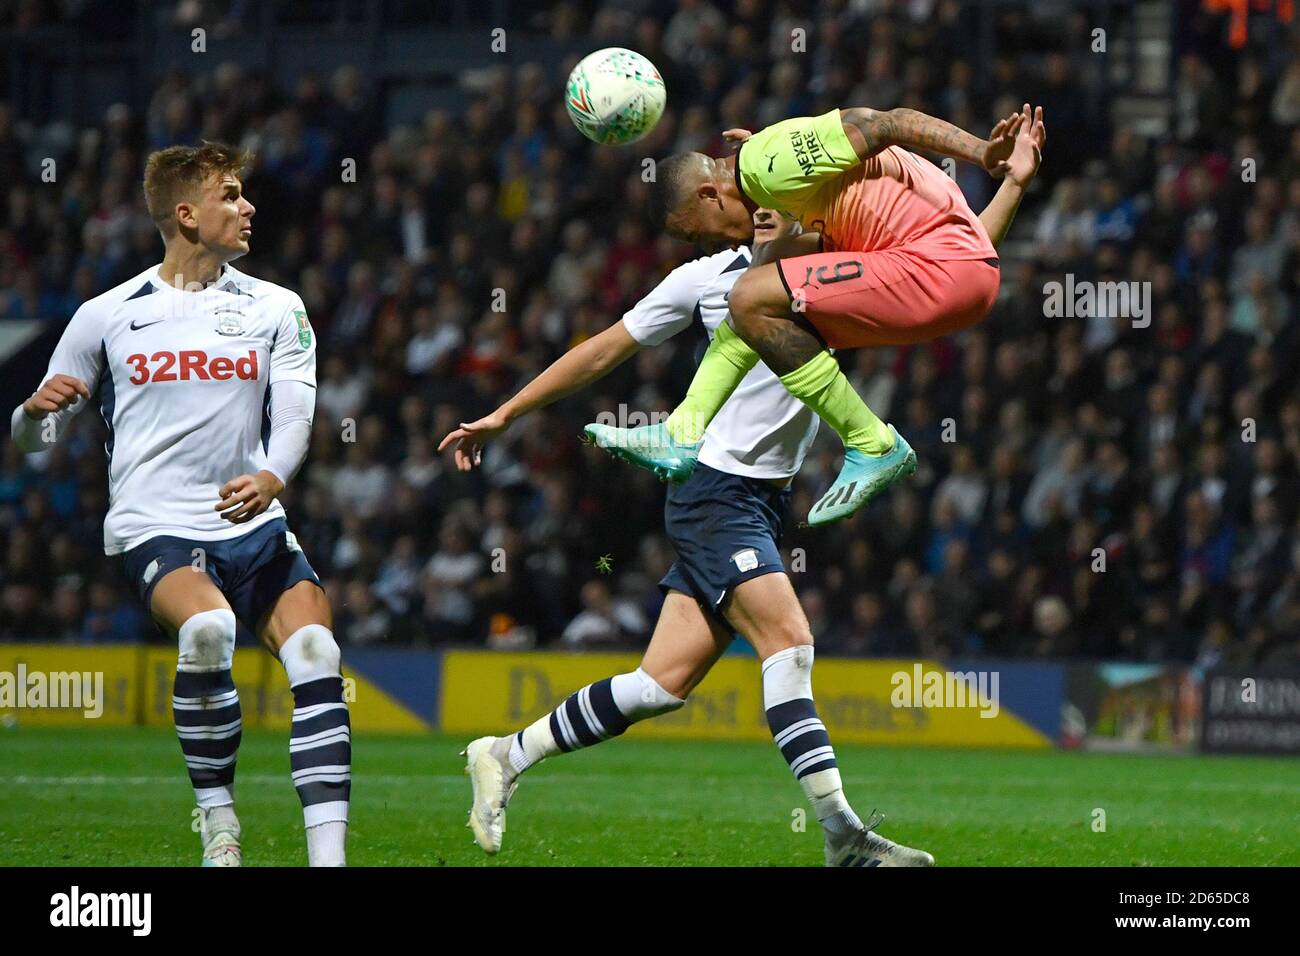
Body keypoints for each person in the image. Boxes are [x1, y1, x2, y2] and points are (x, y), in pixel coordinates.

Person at [436, 109, 1041, 866]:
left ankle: (506, 752)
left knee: (659, 685)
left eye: (701, 227)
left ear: (717, 196)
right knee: (789, 642)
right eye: (699, 240)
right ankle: (842, 836)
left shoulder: (829, 246)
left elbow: (947, 259)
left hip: (762, 497)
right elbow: (601, 352)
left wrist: (1011, 181)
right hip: (715, 491)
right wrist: (506, 413)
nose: (710, 243)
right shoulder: (705, 282)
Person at [10, 142, 350, 867]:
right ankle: (218, 821)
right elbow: (34, 442)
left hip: (255, 524)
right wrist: (33, 414)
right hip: (155, 527)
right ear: (187, 214)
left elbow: (294, 416)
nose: (248, 205)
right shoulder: (105, 315)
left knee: (319, 651)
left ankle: (330, 864)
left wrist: (274, 478)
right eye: (231, 195)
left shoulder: (276, 307)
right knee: (208, 633)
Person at [586, 104, 1046, 527]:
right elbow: (976, 252)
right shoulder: (807, 181)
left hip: (938, 271)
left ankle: (871, 442)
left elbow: (892, 122)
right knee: (761, 288)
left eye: (694, 234)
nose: (711, 246)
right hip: (963, 274)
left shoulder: (770, 162)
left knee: (750, 296)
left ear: (711, 194)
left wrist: (983, 152)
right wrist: (1015, 182)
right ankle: (683, 430)